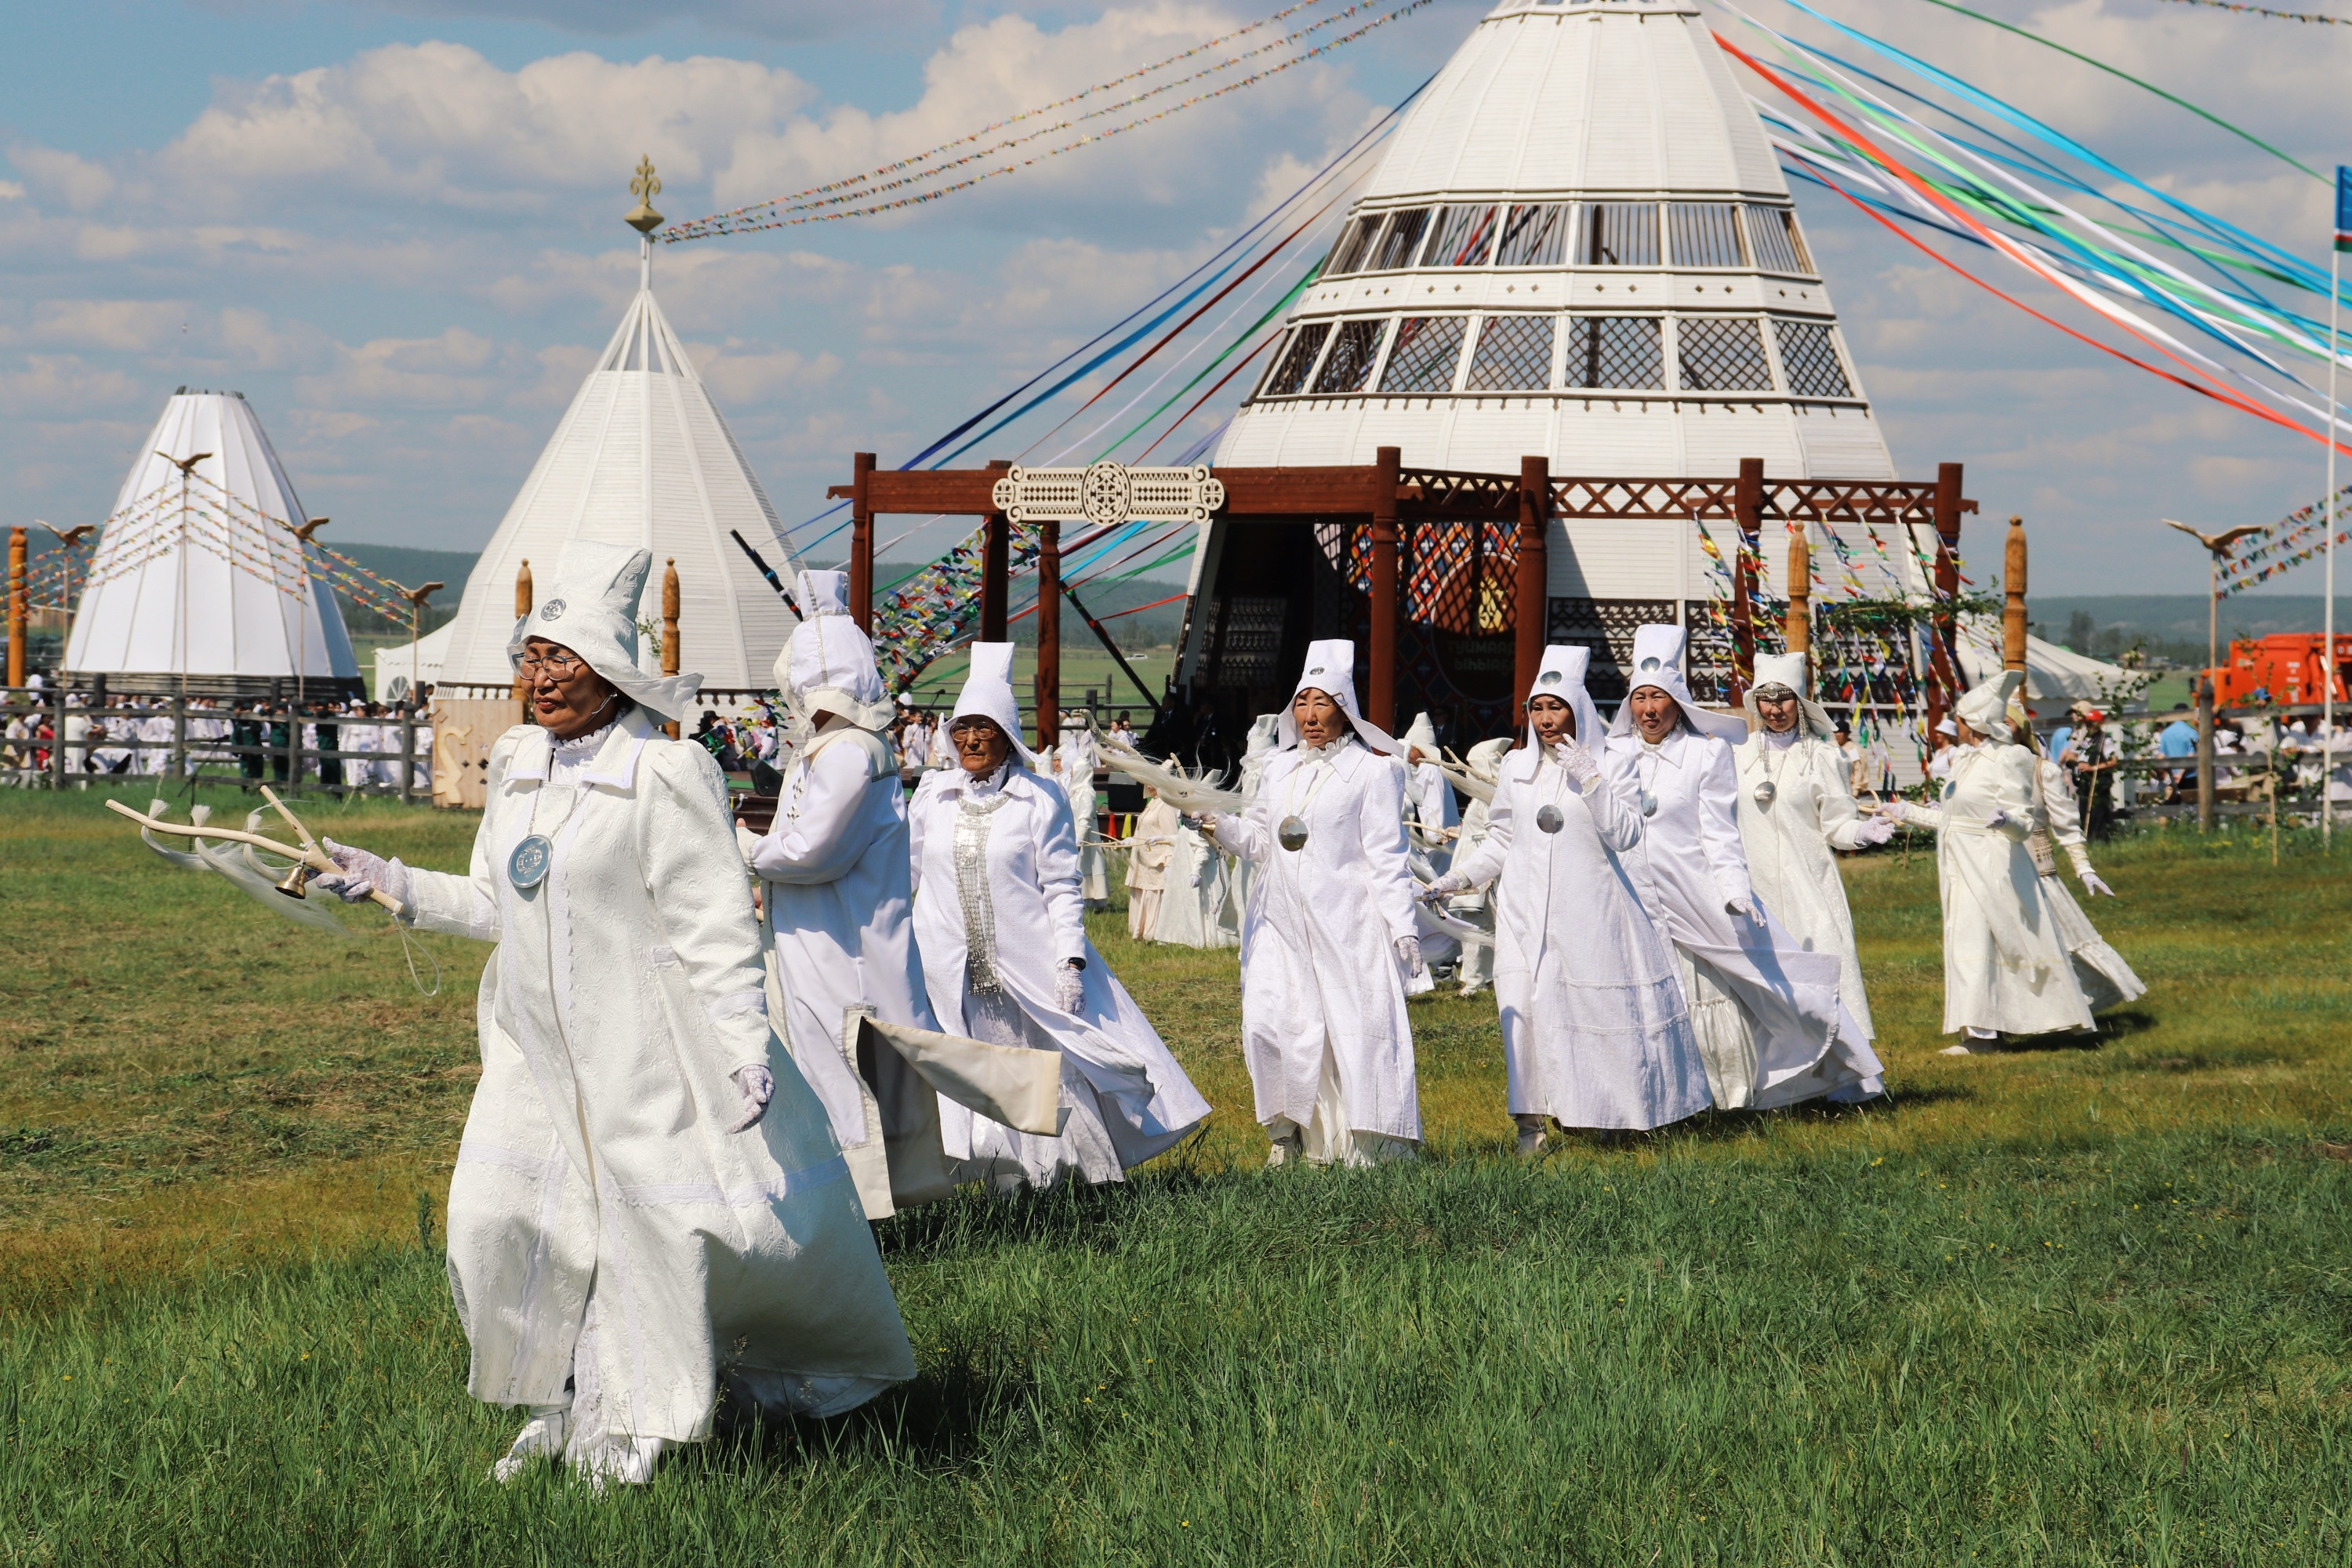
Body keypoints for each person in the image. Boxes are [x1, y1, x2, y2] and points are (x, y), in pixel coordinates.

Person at [314, 542, 913, 1486]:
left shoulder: (665, 774)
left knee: (649, 1239)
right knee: (495, 1218)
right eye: (531, 656)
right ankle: (559, 1401)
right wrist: (387, 882)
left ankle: (634, 1428)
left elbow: (716, 925)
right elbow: (492, 898)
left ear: (610, 675)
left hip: (644, 1051)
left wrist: (745, 1044)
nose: (540, 676)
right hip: (534, 1055)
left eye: (562, 659)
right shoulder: (517, 763)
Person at [908, 643, 1209, 1193]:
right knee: (980, 1067)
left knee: (1043, 1065)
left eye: (984, 728)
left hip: (1027, 962)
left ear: (1006, 733)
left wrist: (1069, 959)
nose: (971, 740)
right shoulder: (933, 796)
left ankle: (1061, 1180)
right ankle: (1004, 1181)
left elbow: (1061, 887)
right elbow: (905, 876)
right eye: (962, 729)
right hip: (948, 964)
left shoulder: (1038, 798)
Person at [1426, 647, 1708, 1151]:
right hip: (1524, 914)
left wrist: (1590, 777)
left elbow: (1625, 833)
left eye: (1555, 708)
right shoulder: (1516, 766)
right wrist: (1458, 878)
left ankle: (1607, 1113)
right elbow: (1502, 838)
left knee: (1593, 1014)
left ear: (1576, 709)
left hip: (1590, 910)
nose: (1545, 719)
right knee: (1524, 1012)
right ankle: (1530, 1126)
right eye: (1536, 709)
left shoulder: (1615, 761)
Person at [746, 570, 953, 1218]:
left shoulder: (847, 754)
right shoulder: (840, 750)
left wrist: (743, 849)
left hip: (840, 940)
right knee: (845, 1060)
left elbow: (814, 851)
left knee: (839, 1062)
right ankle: (866, 1196)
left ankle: (860, 1202)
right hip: (826, 934)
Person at [1601, 625, 1866, 1109]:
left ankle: (1725, 1092)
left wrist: (1734, 888)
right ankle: (1650, 1097)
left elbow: (1720, 833)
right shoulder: (1612, 755)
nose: (1649, 709)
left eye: (1658, 697)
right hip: (1635, 897)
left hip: (1691, 891)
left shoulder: (1706, 754)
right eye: (1639, 698)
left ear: (1677, 702)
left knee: (1741, 986)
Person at [1203, 639, 1425, 1167]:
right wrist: (1215, 823)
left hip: (1346, 920)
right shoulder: (1277, 769)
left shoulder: (1374, 773)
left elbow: (1386, 858)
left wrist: (1403, 927)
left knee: (1352, 1029)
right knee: (1270, 1022)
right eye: (1301, 703)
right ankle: (1288, 1133)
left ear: (1344, 709)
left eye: (1321, 703)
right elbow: (1260, 840)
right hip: (1278, 920)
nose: (1309, 715)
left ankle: (1364, 1142)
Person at [1876, 670, 2094, 1051]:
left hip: (1993, 864)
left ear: (1972, 722)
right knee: (1966, 943)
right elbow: (1952, 818)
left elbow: (2024, 823)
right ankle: (1977, 1033)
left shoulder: (2010, 759)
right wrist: (1904, 810)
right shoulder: (1963, 760)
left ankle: (2031, 1024)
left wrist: (2006, 820)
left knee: (2002, 942)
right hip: (1959, 865)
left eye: (1959, 719)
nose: (1955, 726)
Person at [1731, 653, 1896, 1102]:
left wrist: (1861, 832)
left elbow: (1836, 824)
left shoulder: (1822, 756)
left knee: (1822, 971)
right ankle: (1781, 1087)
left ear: (1800, 702)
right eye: (1765, 700)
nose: (1774, 709)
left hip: (1809, 882)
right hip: (1755, 882)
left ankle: (1849, 1081)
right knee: (1768, 984)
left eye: (1783, 699)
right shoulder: (1736, 756)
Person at [2013, 696, 2145, 1014]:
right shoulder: (1977, 770)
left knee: (2057, 938)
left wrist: (2084, 867)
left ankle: (2071, 1006)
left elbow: (2065, 824)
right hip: (1993, 872)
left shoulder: (2041, 770)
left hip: (2036, 867)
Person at [1444, 735, 1514, 1000]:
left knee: (1475, 925)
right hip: (1473, 866)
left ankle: (1476, 980)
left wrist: (1484, 878)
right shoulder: (1480, 796)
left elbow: (1493, 838)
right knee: (1479, 924)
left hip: (1483, 875)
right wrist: (1457, 832)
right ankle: (1479, 977)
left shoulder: (1490, 797)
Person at [1057, 707, 1109, 908]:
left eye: (1073, 772)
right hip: (1077, 834)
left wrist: (1080, 836)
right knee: (1080, 866)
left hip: (1085, 835)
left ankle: (1094, 899)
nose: (1070, 775)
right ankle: (1082, 898)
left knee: (1089, 864)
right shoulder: (1076, 791)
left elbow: (1086, 816)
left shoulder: (1086, 791)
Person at [1123, 786, 1181, 941]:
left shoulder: (1167, 805)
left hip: (1156, 863)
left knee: (1152, 897)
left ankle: (1152, 934)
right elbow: (1147, 832)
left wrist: (1169, 862)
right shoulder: (1153, 802)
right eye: (1148, 782)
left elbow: (1171, 836)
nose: (1149, 786)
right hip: (1142, 861)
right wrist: (1133, 840)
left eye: (1154, 782)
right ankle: (1139, 932)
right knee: (1140, 893)